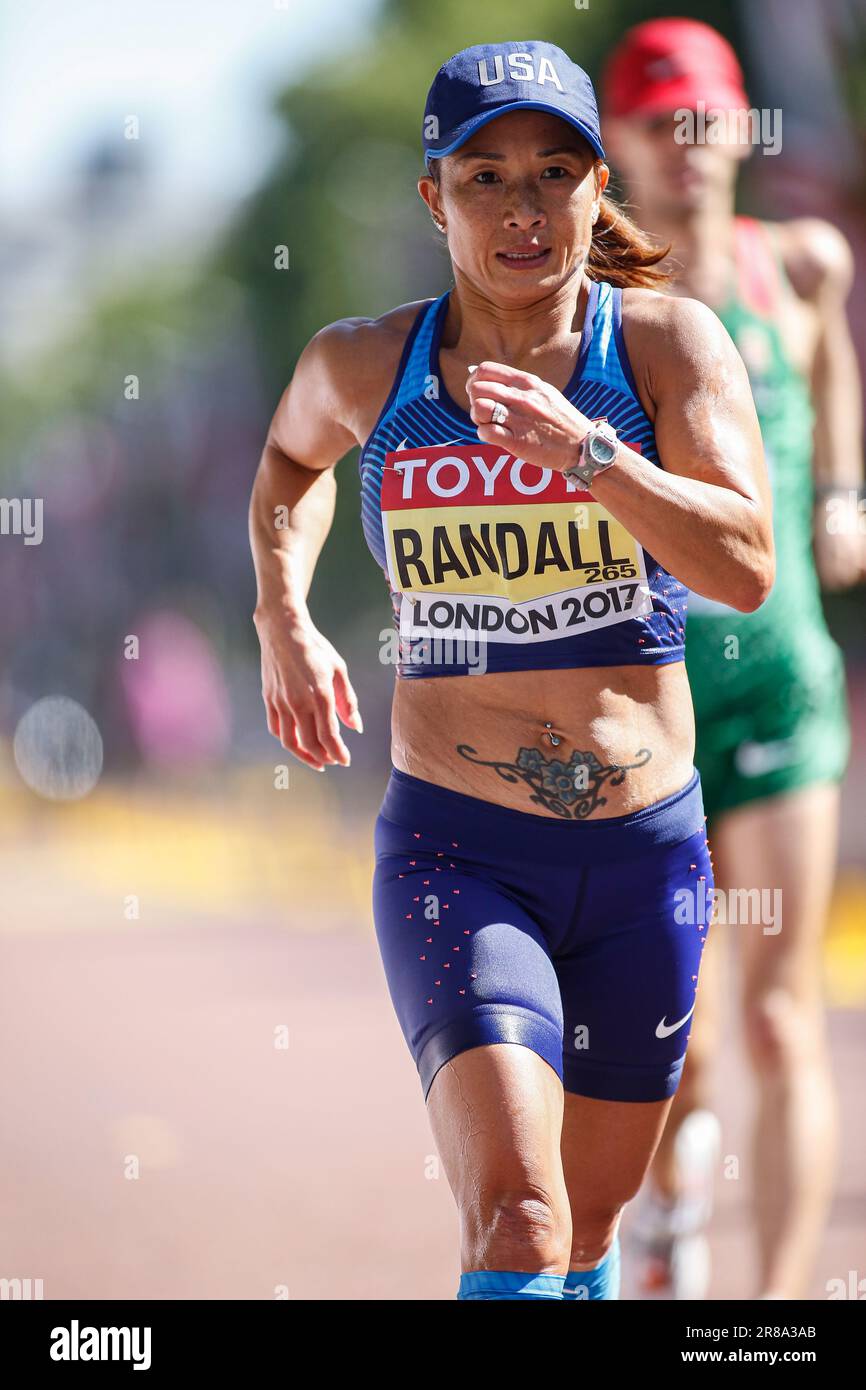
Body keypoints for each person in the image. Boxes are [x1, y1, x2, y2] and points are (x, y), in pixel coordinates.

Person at [248, 39, 774, 1301]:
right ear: (434, 199)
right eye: (483, 177)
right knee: (520, 1221)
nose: (521, 210)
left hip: (644, 854)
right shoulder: (367, 363)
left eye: (552, 172)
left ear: (599, 188)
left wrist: (593, 456)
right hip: (457, 852)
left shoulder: (658, 346)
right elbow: (288, 467)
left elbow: (746, 560)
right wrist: (283, 613)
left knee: (585, 1232)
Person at [600, 17, 866, 1300]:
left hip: (778, 683)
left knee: (777, 1014)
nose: (685, 148)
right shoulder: (598, 309)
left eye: (702, 120)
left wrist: (845, 494)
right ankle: (663, 1208)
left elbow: (831, 370)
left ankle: (769, 1319)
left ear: (737, 127)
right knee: (678, 1045)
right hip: (653, 704)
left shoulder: (798, 266)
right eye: (656, 125)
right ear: (618, 148)